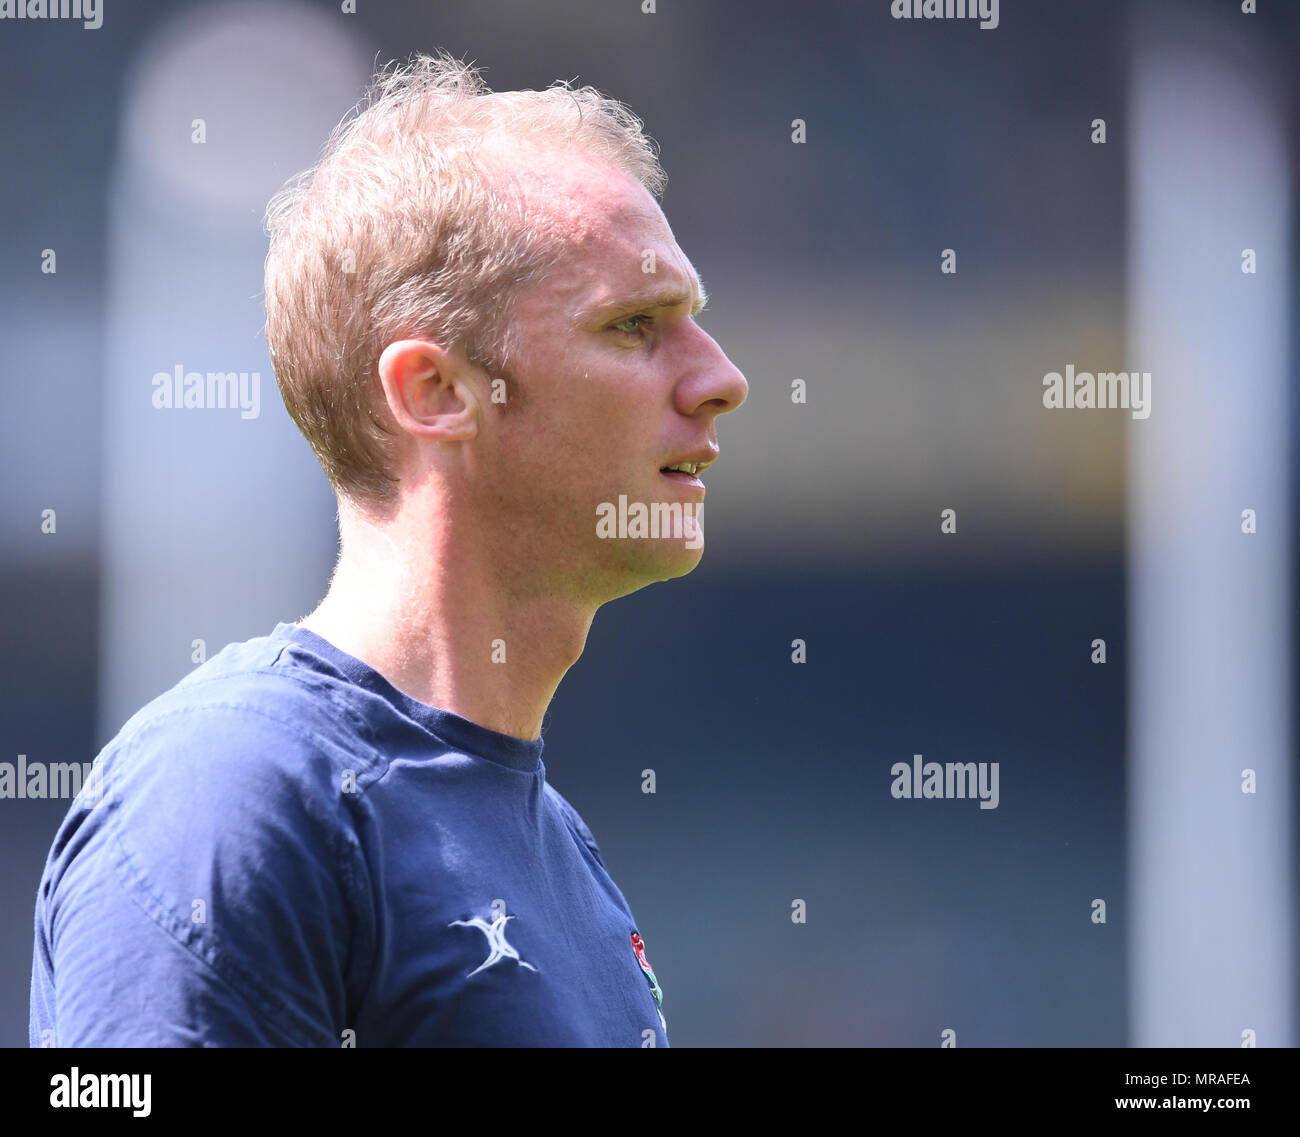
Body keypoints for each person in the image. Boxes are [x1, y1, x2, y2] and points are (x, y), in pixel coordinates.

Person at [28, 50, 747, 1047]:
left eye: (693, 324)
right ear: (437, 393)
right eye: (633, 326)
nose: (720, 378)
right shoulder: (232, 794)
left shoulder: (551, 841)